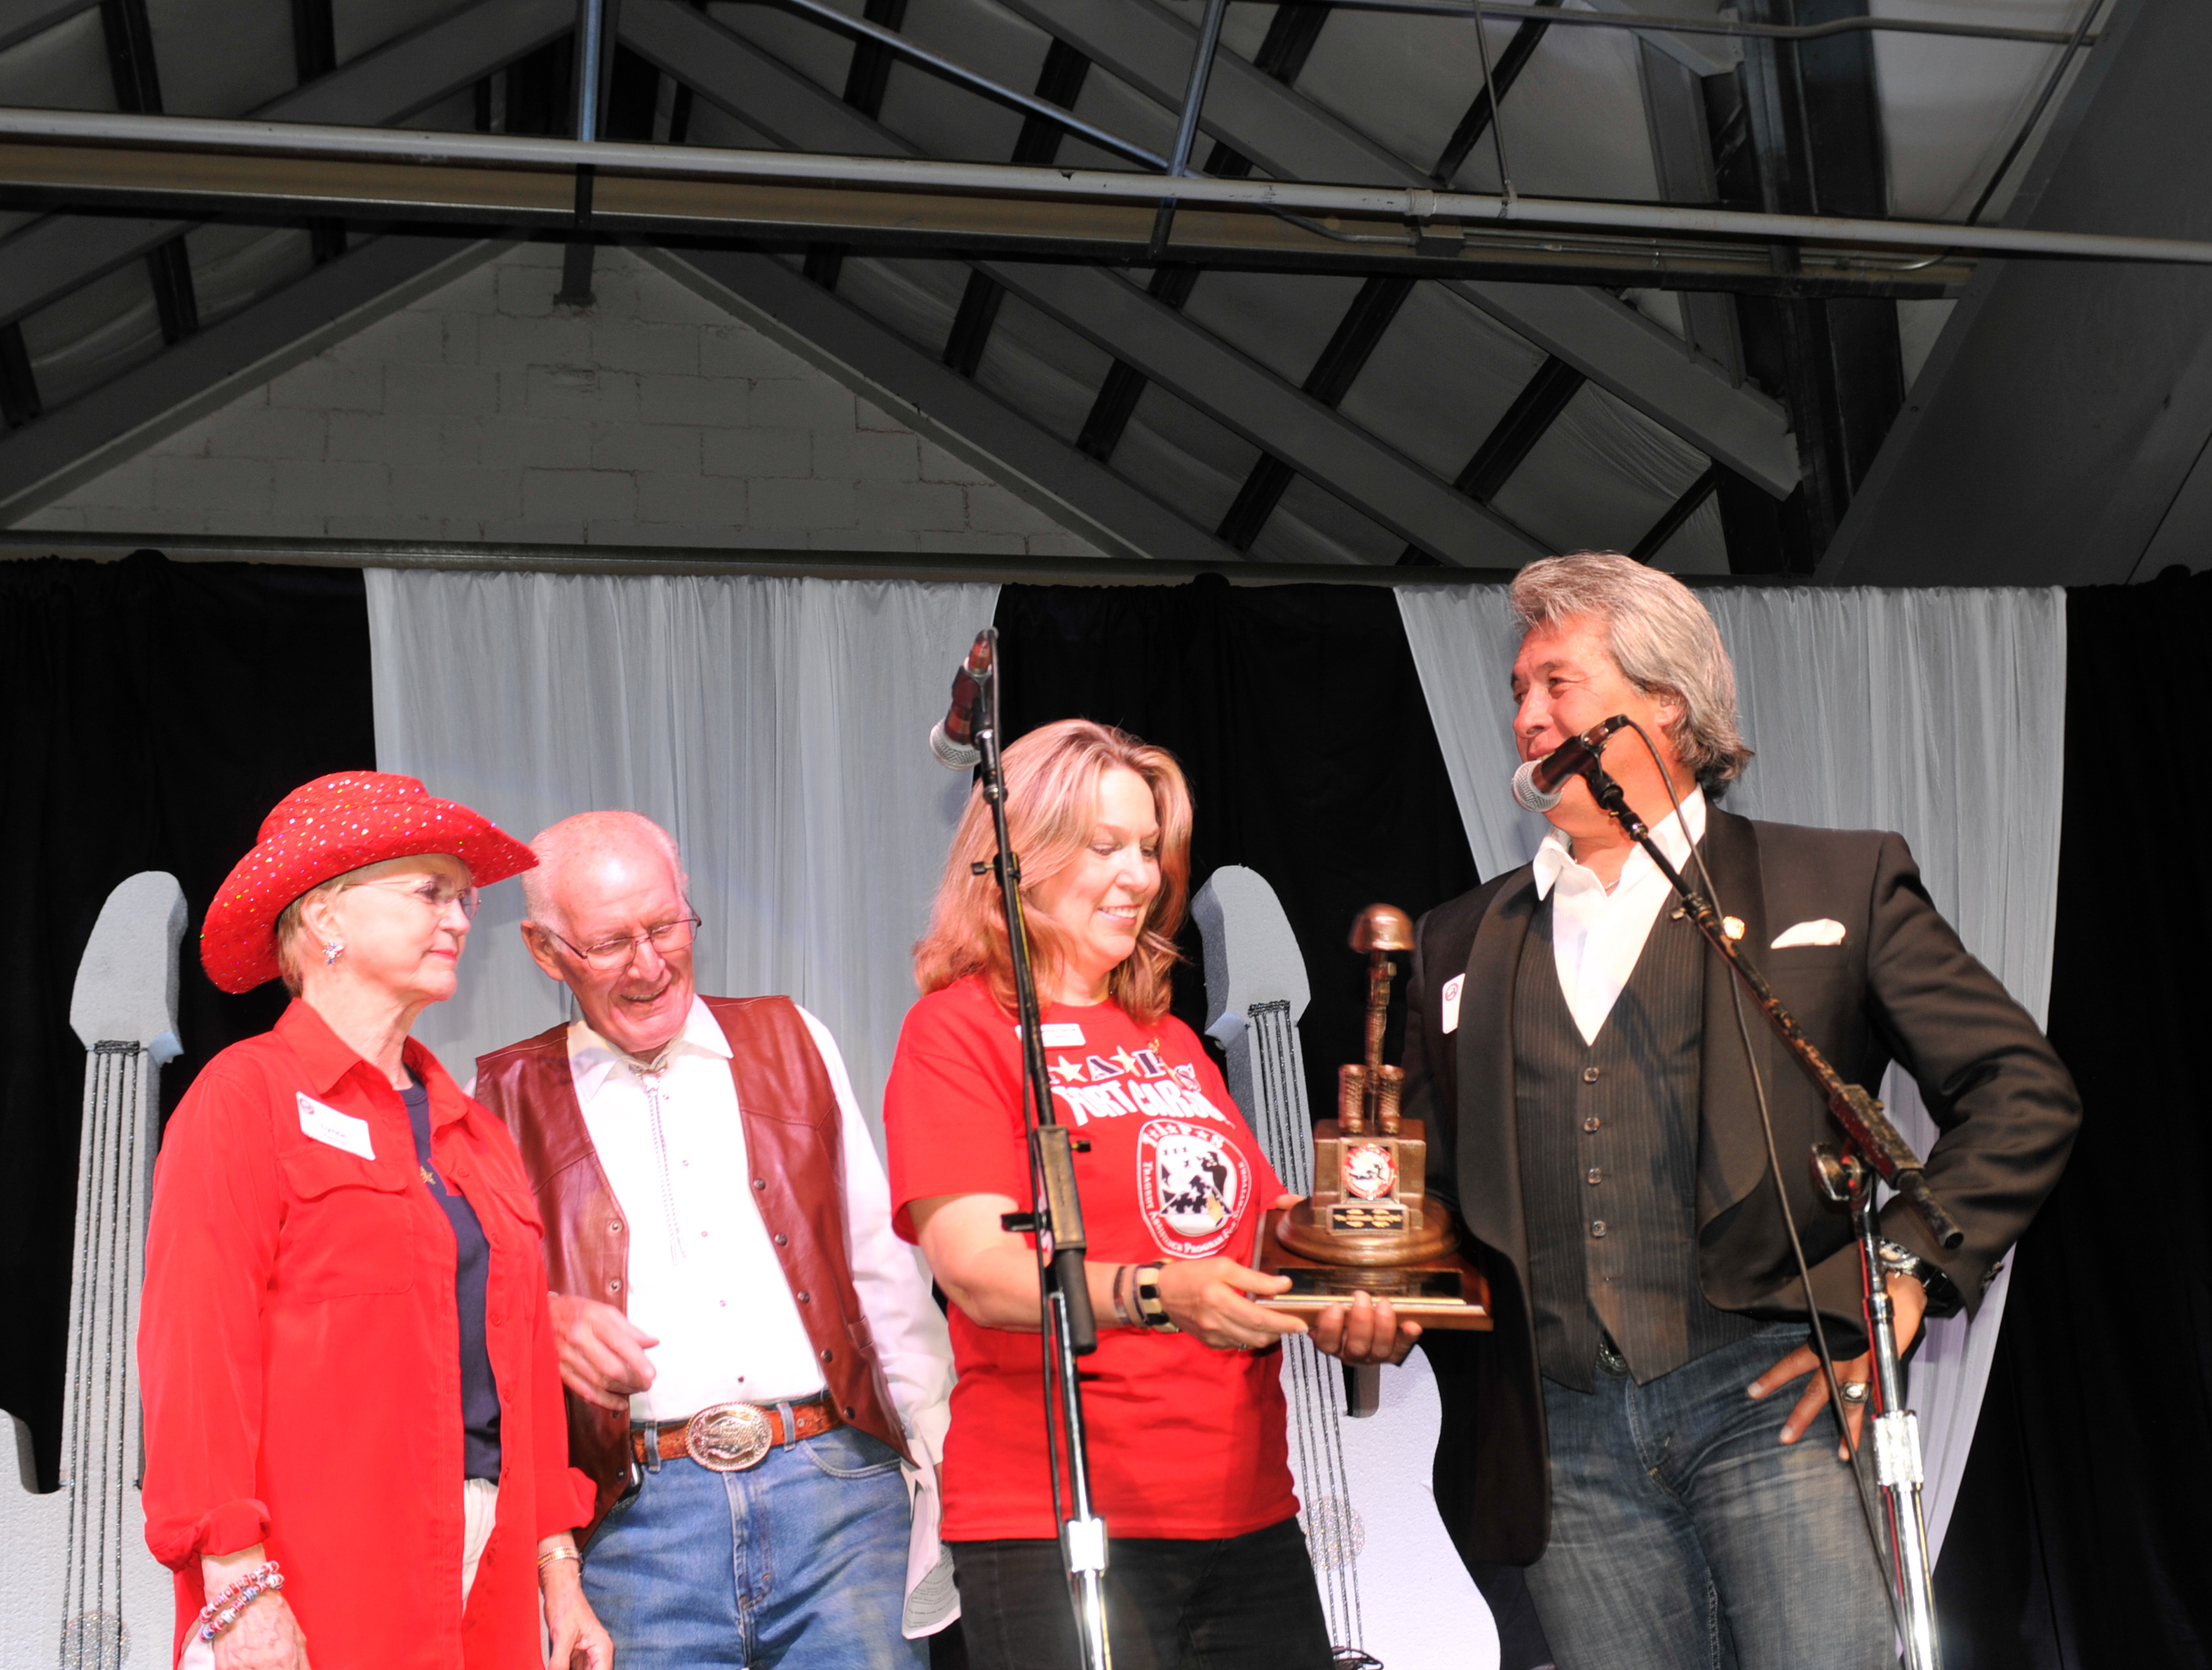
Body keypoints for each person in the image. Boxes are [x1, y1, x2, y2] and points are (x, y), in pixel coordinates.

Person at [1401, 554, 2082, 1669]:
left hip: (1769, 1393)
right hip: (1562, 1433)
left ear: (1665, 701)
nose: (1526, 716)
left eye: (1558, 683)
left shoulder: (1834, 883)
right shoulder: (1461, 940)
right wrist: (1366, 1283)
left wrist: (1903, 1273)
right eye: (1517, 691)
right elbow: (1426, 1189)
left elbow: (2023, 1091)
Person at [884, 719, 1414, 1670]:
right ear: (1022, 857)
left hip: (1246, 1512)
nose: (1140, 877)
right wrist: (1161, 1293)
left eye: (1148, 849)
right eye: (1104, 848)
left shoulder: (1166, 1041)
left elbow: (1261, 1238)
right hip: (1057, 1523)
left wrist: (1353, 1295)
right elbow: (978, 1271)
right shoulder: (954, 1033)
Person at [138, 771, 609, 1670]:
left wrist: (560, 1572)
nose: (462, 918)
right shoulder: (245, 1101)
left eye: (464, 898)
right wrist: (237, 1585)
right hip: (317, 1570)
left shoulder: (473, 1132)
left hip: (494, 1574)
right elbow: (195, 1353)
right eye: (430, 892)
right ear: (327, 920)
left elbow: (522, 1372)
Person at [468, 811, 954, 1670]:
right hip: (638, 1526)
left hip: (840, 1499)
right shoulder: (498, 1097)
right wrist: (542, 1314)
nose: (650, 964)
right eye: (611, 943)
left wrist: (943, 1476)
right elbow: (468, 1325)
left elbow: (885, 1279)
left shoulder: (794, 1038)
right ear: (546, 952)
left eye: (664, 927)